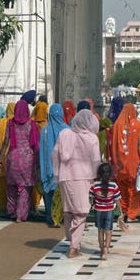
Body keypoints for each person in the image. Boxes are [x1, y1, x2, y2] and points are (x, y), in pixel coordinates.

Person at [52, 109, 102, 257]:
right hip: (83, 178)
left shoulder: (65, 134)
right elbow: (95, 160)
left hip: (65, 177)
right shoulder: (91, 138)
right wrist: (96, 177)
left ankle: (71, 238)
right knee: (81, 212)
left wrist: (57, 173)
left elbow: (55, 154)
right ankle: (73, 247)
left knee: (68, 210)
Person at [2, 99, 40, 222]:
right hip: (27, 159)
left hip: (13, 157)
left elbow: (6, 142)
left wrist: (0, 159)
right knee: (24, 189)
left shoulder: (10, 123)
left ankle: (11, 211)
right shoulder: (32, 124)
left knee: (11, 187)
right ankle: (20, 215)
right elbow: (35, 144)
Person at [111, 102, 140, 226]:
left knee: (122, 188)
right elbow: (139, 145)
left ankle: (123, 211)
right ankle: (132, 214)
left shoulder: (117, 125)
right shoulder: (136, 125)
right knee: (134, 189)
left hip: (120, 163)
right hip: (133, 162)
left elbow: (113, 145)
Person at [39, 102, 69, 227]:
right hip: (63, 168)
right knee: (63, 193)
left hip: (48, 168)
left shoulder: (45, 130)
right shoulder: (67, 129)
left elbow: (42, 152)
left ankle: (49, 216)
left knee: (49, 193)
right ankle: (60, 216)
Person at [90, 162, 121, 260]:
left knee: (100, 231)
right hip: (109, 211)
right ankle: (106, 250)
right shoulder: (113, 185)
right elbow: (117, 199)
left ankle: (101, 249)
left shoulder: (95, 185)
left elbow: (91, 197)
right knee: (108, 231)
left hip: (99, 210)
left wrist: (92, 204)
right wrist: (120, 211)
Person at [0, 101, 15, 210]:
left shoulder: (2, 122)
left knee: (3, 181)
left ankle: (3, 205)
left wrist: (0, 150)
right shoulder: (17, 122)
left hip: (2, 154)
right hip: (14, 155)